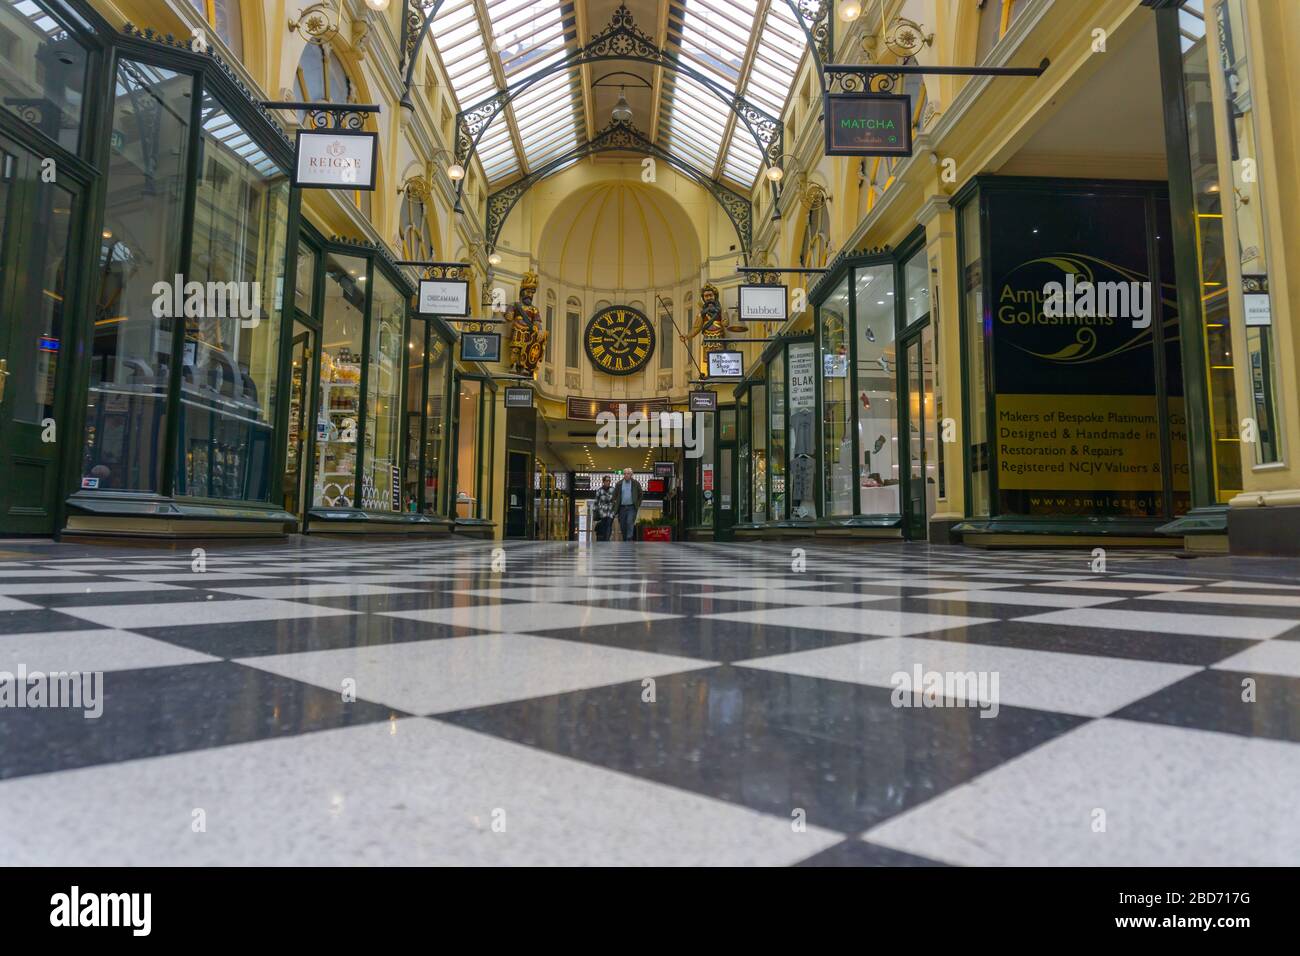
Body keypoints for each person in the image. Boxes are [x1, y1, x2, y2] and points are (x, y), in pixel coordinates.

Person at [612, 467, 643, 542]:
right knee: (622, 524)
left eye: (628, 474)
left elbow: (640, 494)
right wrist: (615, 504)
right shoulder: (619, 484)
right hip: (622, 507)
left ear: (631, 475)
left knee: (629, 522)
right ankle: (625, 539)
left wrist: (638, 504)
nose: (626, 475)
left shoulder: (636, 483)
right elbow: (614, 495)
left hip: (631, 507)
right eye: (625, 474)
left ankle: (629, 539)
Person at [592, 475, 615, 542]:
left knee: (609, 525)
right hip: (602, 512)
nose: (608, 482)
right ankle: (604, 539)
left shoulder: (613, 490)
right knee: (604, 525)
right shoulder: (599, 490)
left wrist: (616, 510)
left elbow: (616, 500)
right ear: (603, 481)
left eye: (609, 481)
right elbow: (596, 502)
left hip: (611, 511)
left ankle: (607, 540)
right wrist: (595, 511)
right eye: (606, 481)